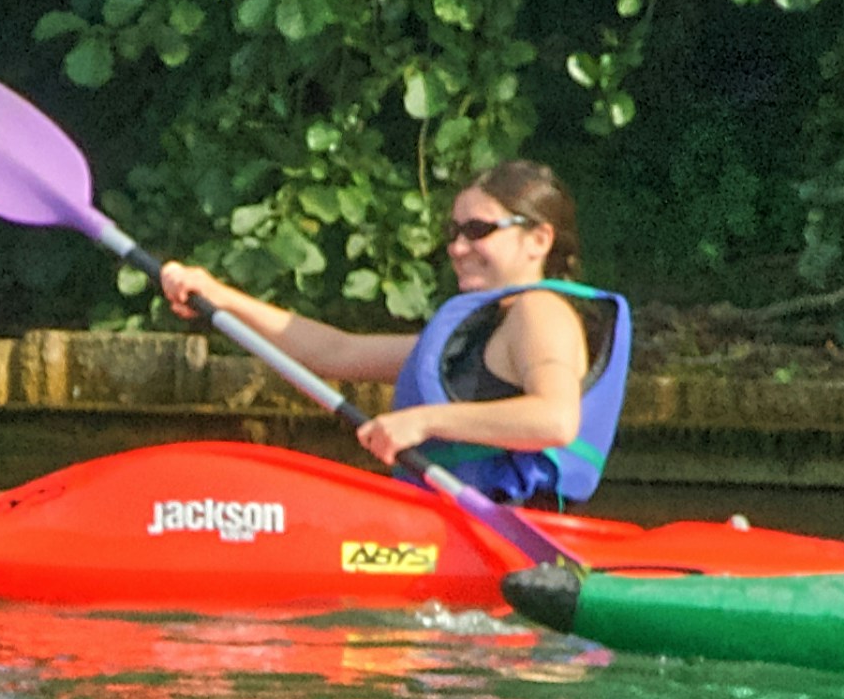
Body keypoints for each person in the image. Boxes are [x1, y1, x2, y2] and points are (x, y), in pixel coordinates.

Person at [154, 162, 627, 503]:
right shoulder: (482, 330)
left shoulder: (540, 312)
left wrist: (422, 421)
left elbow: (555, 420)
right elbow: (336, 352)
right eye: (454, 231)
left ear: (538, 239)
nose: (458, 247)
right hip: (453, 526)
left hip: (522, 537)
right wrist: (220, 296)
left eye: (479, 230)